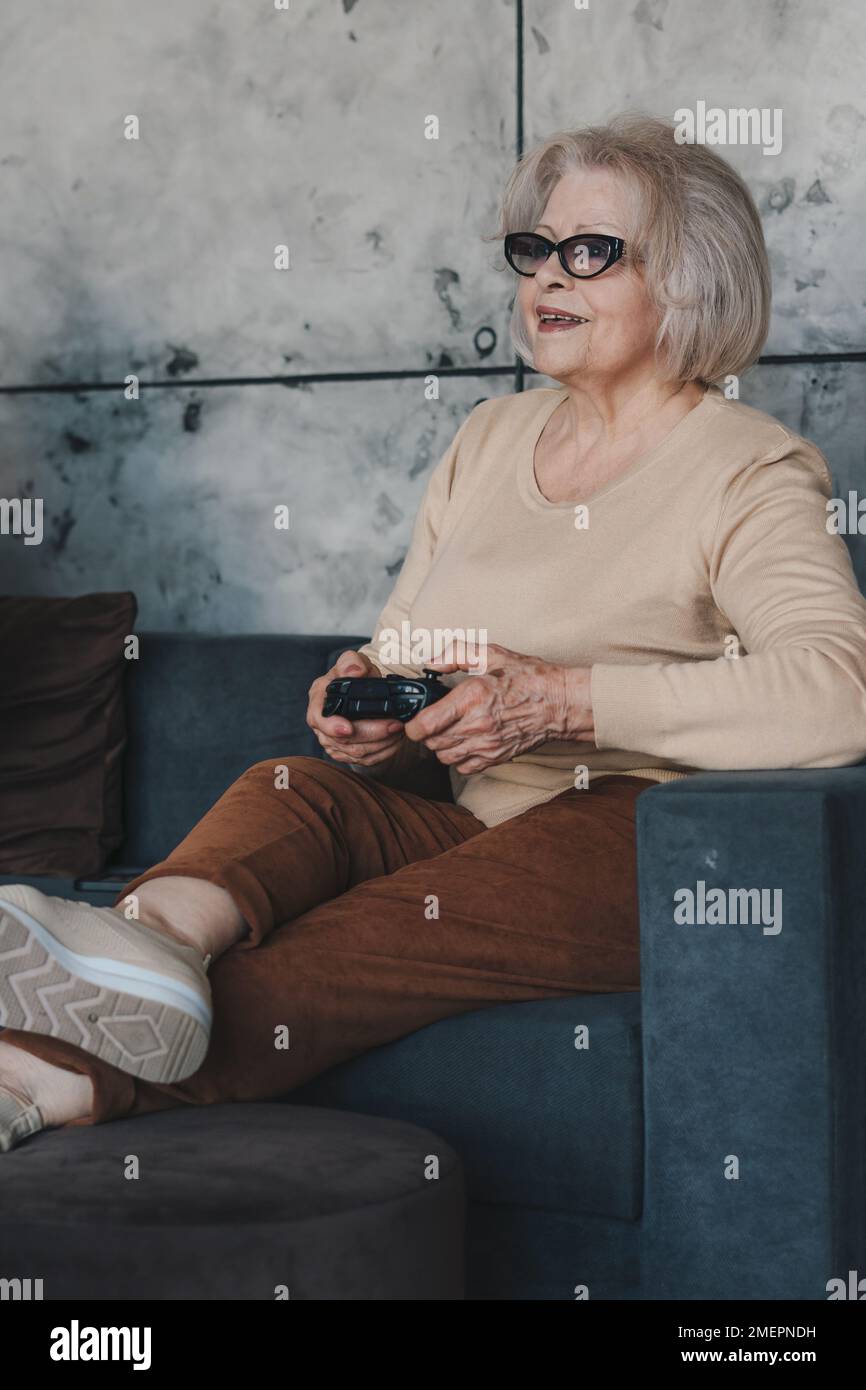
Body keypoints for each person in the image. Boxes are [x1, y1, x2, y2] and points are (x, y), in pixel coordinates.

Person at [3, 113, 866, 1152]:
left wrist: (563, 703)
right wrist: (374, 713)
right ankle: (146, 944)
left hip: (629, 836)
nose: (546, 277)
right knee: (290, 786)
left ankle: (51, 1078)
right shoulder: (489, 437)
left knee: (341, 947)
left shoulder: (747, 468)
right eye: (533, 249)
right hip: (467, 821)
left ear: (688, 279)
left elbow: (838, 690)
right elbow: (406, 648)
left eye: (590, 251)